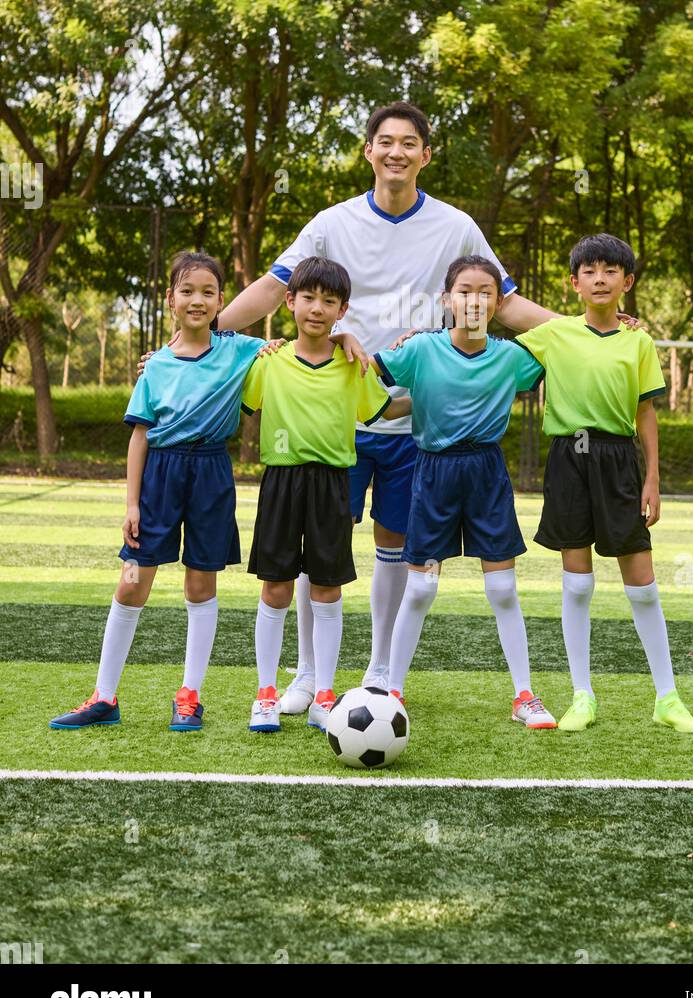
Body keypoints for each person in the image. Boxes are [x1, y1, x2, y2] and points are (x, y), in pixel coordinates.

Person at [214, 101, 637, 710]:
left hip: (416, 425)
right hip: (335, 415)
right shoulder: (331, 223)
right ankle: (307, 674)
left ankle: (381, 670)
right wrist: (197, 341)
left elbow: (508, 306)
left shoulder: (456, 227)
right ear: (368, 150)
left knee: (396, 546)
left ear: (424, 155)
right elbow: (277, 288)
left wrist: (588, 327)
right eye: (385, 141)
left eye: (409, 143)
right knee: (317, 544)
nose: (396, 152)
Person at [49, 251, 280, 733]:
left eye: (208, 292)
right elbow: (139, 436)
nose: (197, 299)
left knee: (200, 583)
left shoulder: (241, 350)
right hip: (159, 475)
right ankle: (104, 696)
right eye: (187, 291)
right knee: (133, 580)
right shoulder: (155, 366)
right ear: (171, 299)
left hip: (212, 473)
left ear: (221, 301)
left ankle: (190, 696)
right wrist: (131, 503)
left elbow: (291, 347)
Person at [351, 255, 557, 727]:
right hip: (432, 473)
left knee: (503, 587)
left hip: (486, 473)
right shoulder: (420, 349)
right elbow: (362, 372)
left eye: (486, 291)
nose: (475, 300)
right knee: (421, 588)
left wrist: (610, 323)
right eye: (465, 290)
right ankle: (392, 691)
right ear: (447, 299)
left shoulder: (513, 356)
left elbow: (571, 346)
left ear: (498, 301)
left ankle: (524, 695)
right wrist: (352, 351)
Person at [513, 233, 693, 733]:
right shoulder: (552, 335)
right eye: (590, 271)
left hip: (620, 462)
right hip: (567, 458)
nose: (600, 279)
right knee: (577, 582)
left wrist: (653, 479)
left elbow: (645, 413)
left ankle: (667, 696)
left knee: (641, 583)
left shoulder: (638, 340)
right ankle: (582, 695)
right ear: (572, 283)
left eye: (611, 271)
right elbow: (488, 334)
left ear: (628, 281)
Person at [241, 256, 411, 734]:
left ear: (342, 311)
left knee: (326, 588)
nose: (317, 308)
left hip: (333, 485)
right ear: (290, 301)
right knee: (275, 588)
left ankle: (325, 694)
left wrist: (437, 393)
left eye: (329, 301)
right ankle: (267, 693)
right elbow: (230, 381)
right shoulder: (268, 361)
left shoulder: (352, 365)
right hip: (281, 484)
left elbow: (385, 409)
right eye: (308, 298)